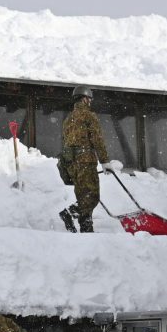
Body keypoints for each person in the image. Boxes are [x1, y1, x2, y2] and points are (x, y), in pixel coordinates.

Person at [58, 86, 109, 233]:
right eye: (90, 99)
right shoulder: (89, 116)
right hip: (85, 162)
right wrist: (105, 161)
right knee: (92, 197)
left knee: (83, 195)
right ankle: (68, 213)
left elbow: (67, 142)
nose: (90, 102)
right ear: (85, 99)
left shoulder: (68, 119)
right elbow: (97, 139)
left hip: (71, 163)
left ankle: (87, 230)